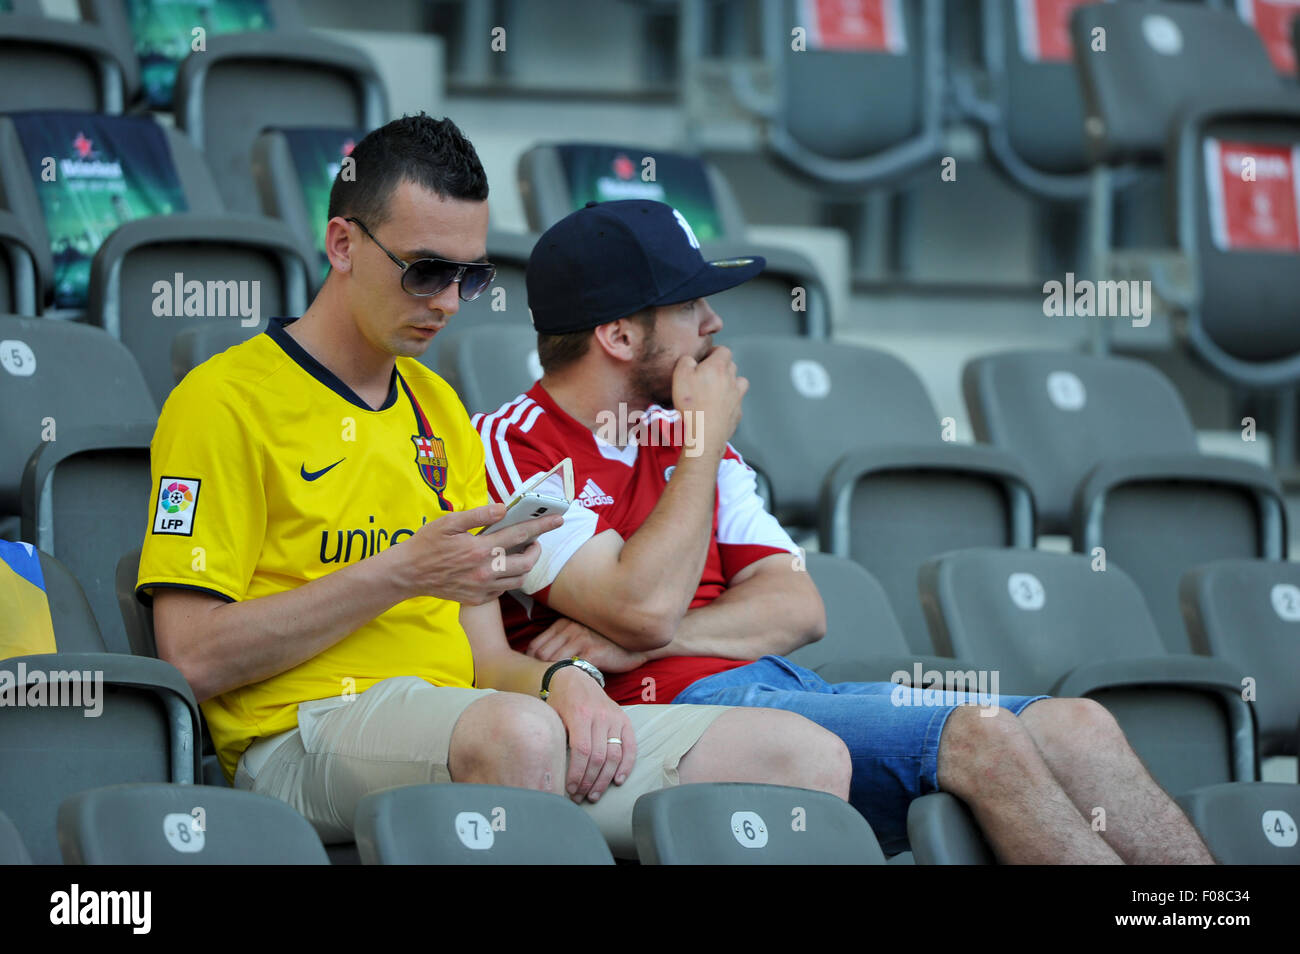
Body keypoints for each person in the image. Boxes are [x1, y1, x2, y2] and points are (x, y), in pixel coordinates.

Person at [134, 116, 851, 858]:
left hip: (474, 715)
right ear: (342, 245)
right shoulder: (222, 400)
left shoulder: (438, 407)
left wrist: (561, 679)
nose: (446, 301)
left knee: (800, 756)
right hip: (296, 734)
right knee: (516, 732)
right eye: (424, 270)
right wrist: (400, 573)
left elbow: (486, 661)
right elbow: (191, 657)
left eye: (469, 277)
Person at [475, 198, 1217, 864]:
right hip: (675, 724)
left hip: (780, 689)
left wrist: (651, 633)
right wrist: (698, 455)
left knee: (1079, 725)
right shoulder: (516, 446)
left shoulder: (689, 431)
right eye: (690, 305)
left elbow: (799, 609)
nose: (715, 324)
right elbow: (641, 605)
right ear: (617, 335)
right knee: (980, 735)